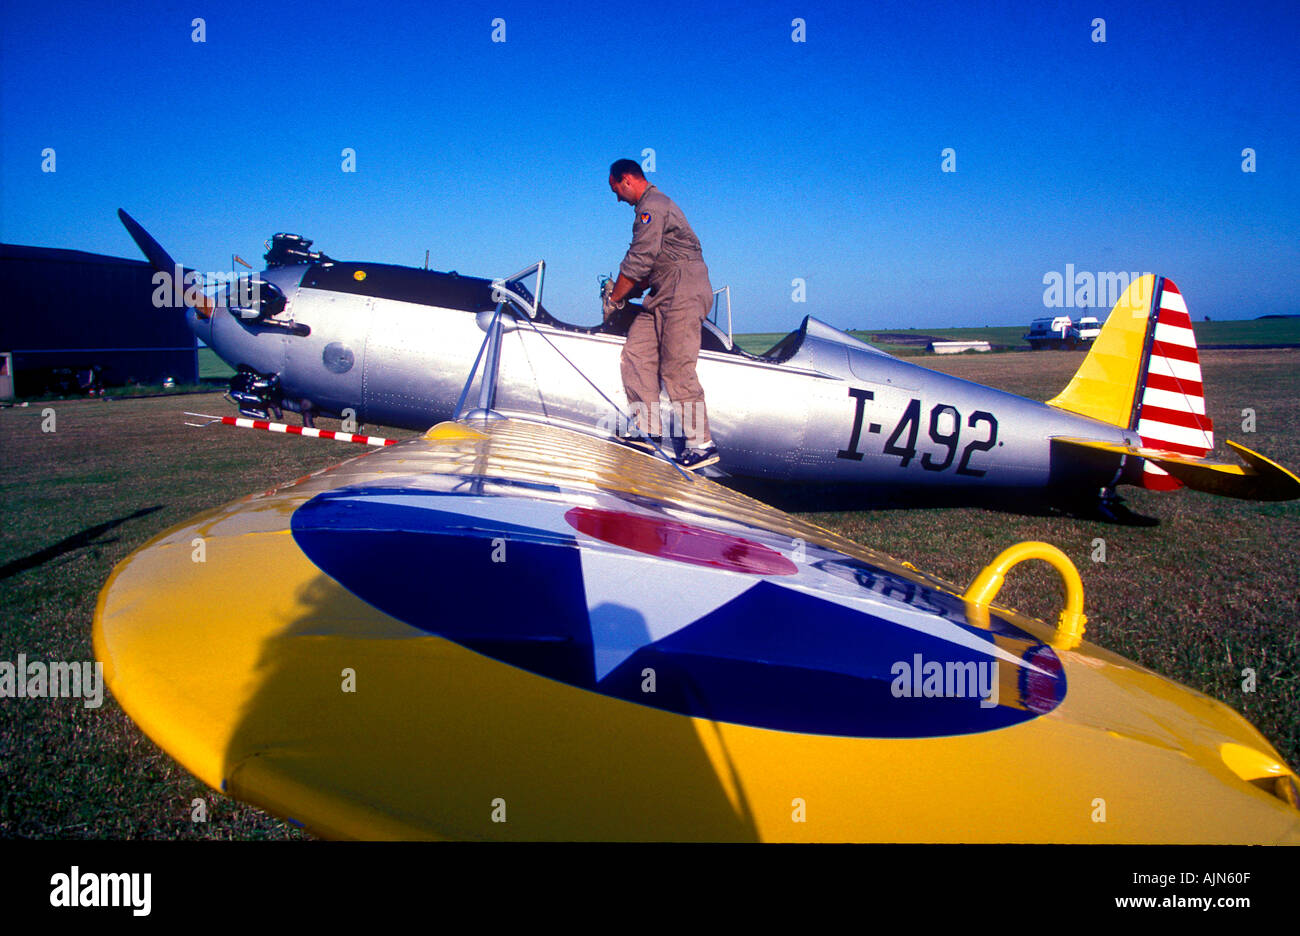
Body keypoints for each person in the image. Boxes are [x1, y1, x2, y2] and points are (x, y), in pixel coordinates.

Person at [603, 159, 719, 470]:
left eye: (616, 189)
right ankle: (648, 429)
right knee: (637, 352)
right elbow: (648, 266)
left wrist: (614, 300)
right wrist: (634, 288)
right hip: (663, 290)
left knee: (677, 367)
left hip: (683, 289)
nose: (616, 197)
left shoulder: (651, 207)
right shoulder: (650, 208)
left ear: (626, 180)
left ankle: (701, 445)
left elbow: (640, 258)